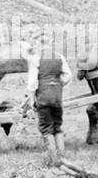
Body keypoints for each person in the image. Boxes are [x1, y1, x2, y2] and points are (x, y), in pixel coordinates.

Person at [23, 32, 72, 165]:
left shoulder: (35, 58)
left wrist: (32, 99)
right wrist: (58, 83)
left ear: (39, 44)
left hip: (43, 96)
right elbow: (68, 75)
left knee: (46, 127)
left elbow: (32, 83)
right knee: (57, 126)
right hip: (57, 96)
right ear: (50, 43)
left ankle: (53, 160)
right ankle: (62, 158)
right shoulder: (59, 57)